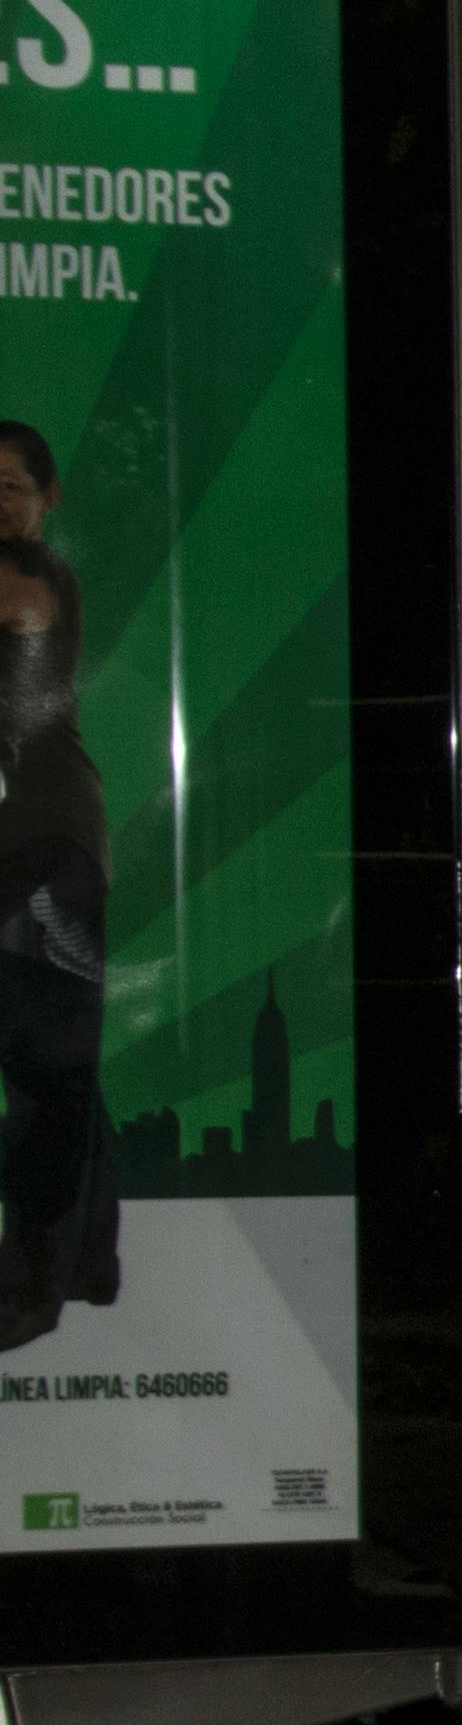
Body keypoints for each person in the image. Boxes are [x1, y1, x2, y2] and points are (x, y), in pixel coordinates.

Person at [0, 440, 115, 1346]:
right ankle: (86, 1261)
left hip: (44, 851)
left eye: (9, 485)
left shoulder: (34, 579)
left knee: (47, 1065)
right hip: (26, 845)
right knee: (56, 1058)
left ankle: (30, 1296)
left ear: (46, 498)